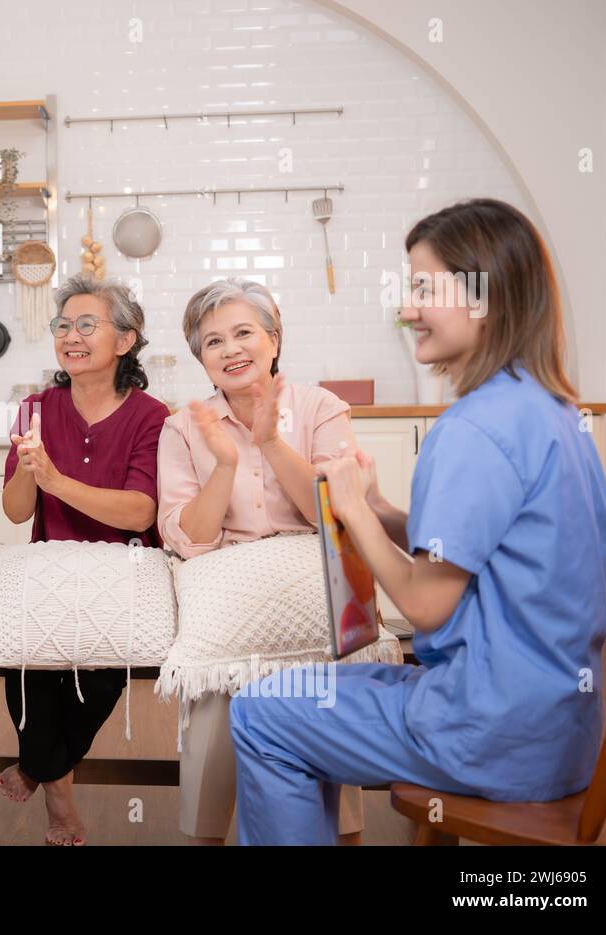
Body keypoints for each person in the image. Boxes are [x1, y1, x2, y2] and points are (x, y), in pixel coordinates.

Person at [230, 199, 606, 844]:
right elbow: (487, 553)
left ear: (484, 296)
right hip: (561, 731)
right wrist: (383, 513)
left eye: (421, 288)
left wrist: (353, 509)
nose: (407, 310)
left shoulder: (472, 429)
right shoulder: (553, 413)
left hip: (490, 733)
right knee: (305, 690)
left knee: (260, 714)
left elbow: (427, 605)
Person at [157, 276, 365, 844]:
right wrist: (223, 467)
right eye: (213, 342)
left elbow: (337, 516)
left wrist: (270, 441)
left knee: (321, 713)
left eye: (244, 332)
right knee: (214, 707)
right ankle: (205, 834)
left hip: (308, 586)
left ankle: (339, 831)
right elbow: (186, 538)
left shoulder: (321, 407)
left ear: (274, 339)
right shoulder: (182, 427)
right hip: (227, 593)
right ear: (201, 357)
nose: (231, 350)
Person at [0, 273, 169, 845]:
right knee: (29, 676)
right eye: (62, 325)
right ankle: (60, 794)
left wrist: (58, 481)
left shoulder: (151, 415)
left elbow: (140, 512)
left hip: (123, 586)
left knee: (91, 687)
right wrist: (28, 470)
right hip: (48, 579)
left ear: (125, 340)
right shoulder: (35, 408)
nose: (71, 334)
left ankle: (38, 769)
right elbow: (18, 513)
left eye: (86, 324)